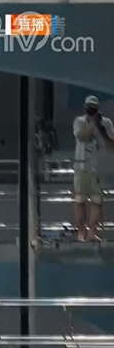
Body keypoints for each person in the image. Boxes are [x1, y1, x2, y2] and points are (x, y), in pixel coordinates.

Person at [73, 95, 114, 241]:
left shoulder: (106, 123)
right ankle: (81, 231)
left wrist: (101, 129)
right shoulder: (79, 121)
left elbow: (111, 143)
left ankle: (92, 231)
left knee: (97, 201)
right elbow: (82, 136)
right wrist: (93, 125)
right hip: (82, 166)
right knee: (80, 200)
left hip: (99, 168)